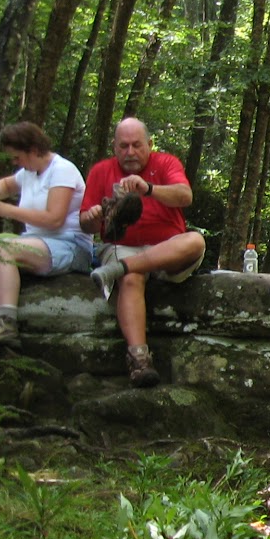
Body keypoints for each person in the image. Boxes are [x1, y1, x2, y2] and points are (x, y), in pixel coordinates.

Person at [79, 117, 205, 387]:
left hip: (166, 248)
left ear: (149, 144)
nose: (130, 152)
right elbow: (85, 223)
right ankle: (139, 359)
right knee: (132, 278)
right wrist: (93, 215)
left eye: (137, 145)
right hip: (121, 244)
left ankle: (122, 267)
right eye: (123, 146)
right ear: (114, 147)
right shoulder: (101, 171)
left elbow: (185, 196)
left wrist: (148, 189)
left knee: (195, 241)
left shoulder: (166, 163)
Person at [0, 122, 96, 346]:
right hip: (36, 242)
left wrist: (6, 210)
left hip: (69, 244)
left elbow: (54, 219)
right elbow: (7, 185)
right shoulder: (28, 172)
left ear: (31, 150)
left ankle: (8, 321)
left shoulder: (62, 170)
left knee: (4, 249)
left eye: (17, 157)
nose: (15, 163)